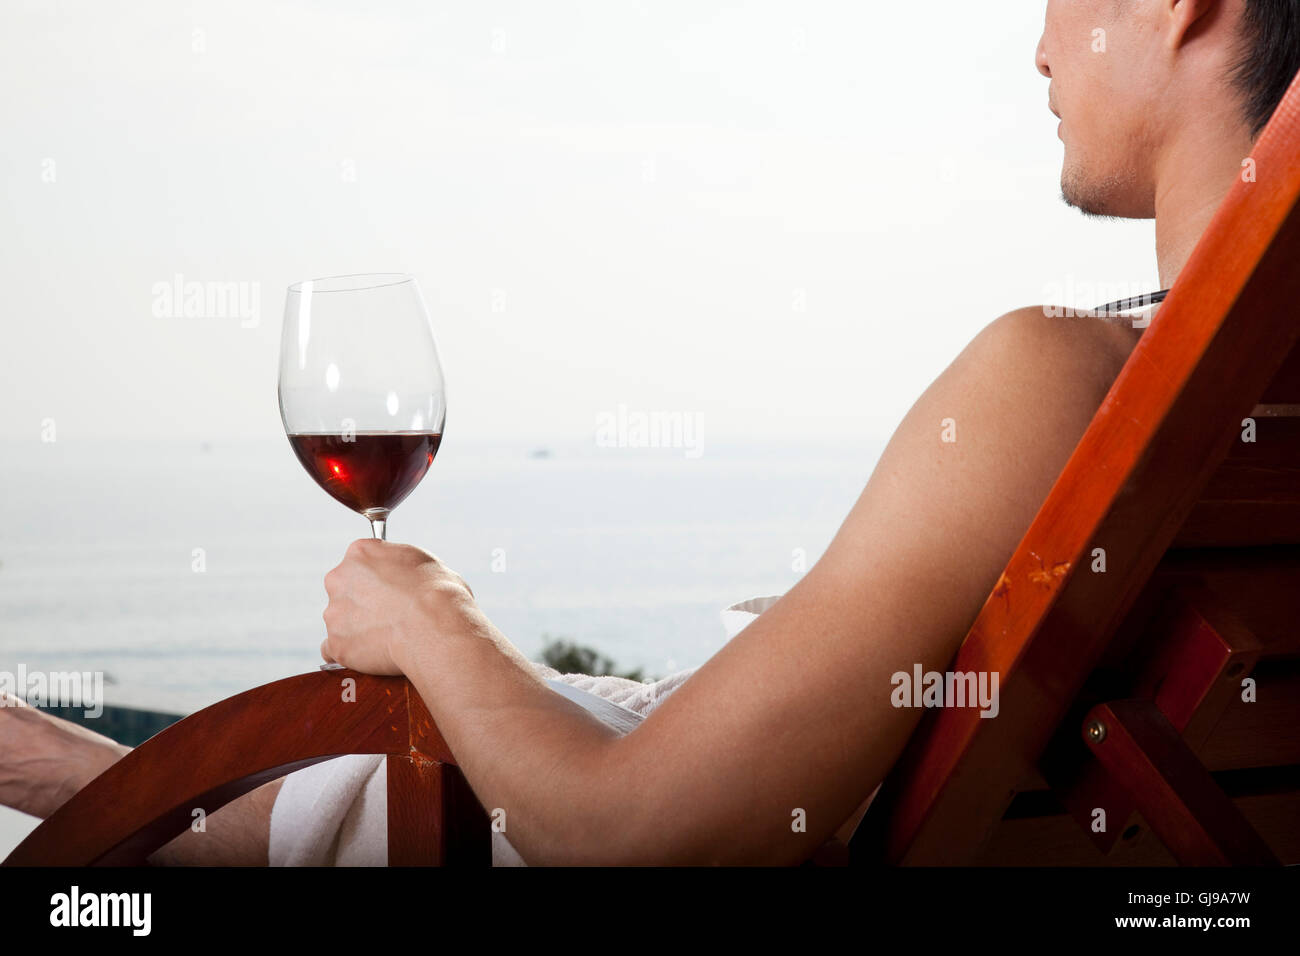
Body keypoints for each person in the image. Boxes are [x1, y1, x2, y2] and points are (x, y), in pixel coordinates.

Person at [3, 0, 1296, 865]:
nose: (1038, 49)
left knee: (392, 756)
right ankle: (88, 778)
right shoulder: (1249, 402)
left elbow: (637, 834)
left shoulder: (1063, 370)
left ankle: (96, 806)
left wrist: (424, 619)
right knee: (526, 718)